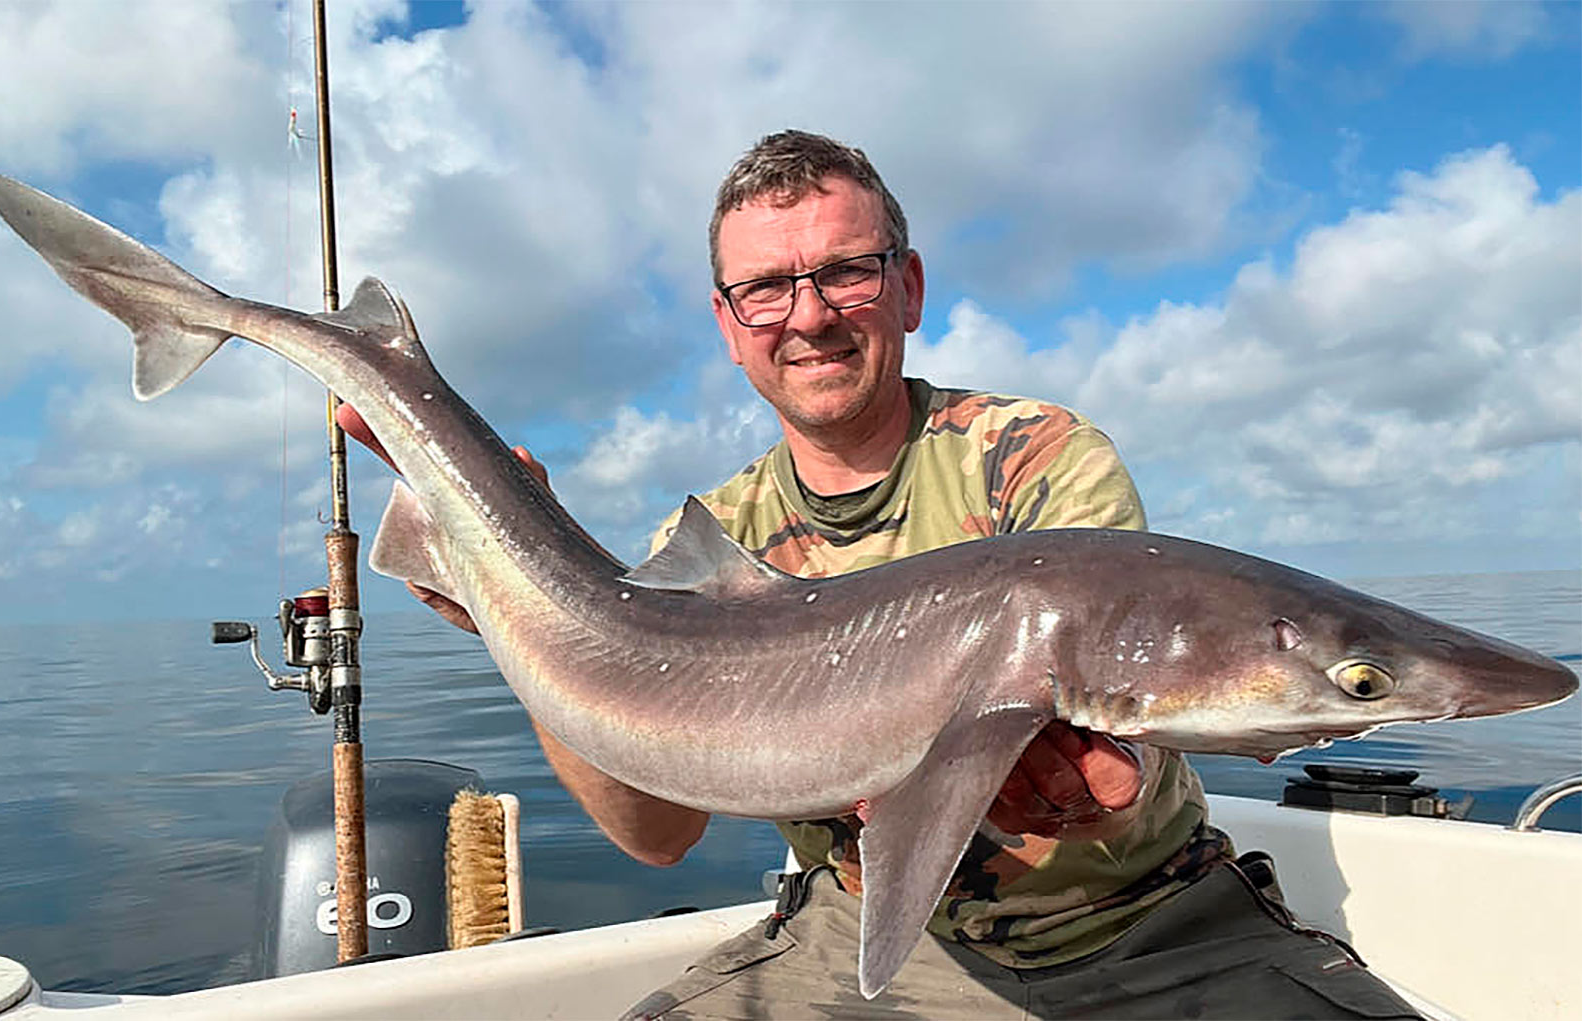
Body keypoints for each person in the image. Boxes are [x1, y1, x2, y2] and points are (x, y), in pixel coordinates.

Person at [341, 131, 1422, 1019]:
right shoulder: (719, 536)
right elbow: (654, 836)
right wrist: (515, 603)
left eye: (845, 272)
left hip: (1148, 930)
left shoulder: (1035, 455)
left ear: (905, 286)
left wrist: (1099, 778)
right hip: (863, 943)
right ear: (728, 325)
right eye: (766, 289)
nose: (808, 315)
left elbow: (1108, 767)